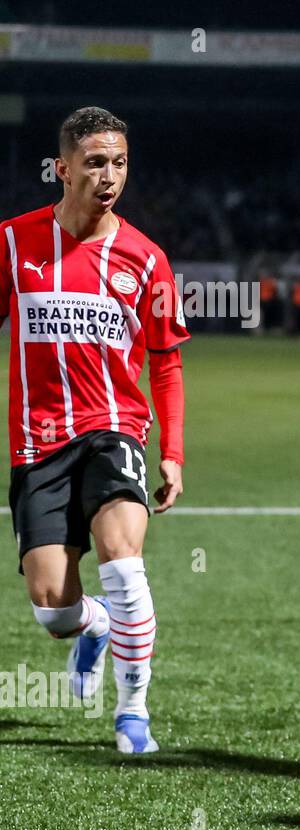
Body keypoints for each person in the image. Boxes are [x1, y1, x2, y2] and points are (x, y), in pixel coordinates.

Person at [0, 106, 189, 753]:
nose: (110, 176)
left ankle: (132, 711)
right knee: (53, 607)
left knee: (123, 559)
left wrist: (175, 452)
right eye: (96, 163)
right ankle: (94, 626)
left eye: (120, 163)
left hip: (116, 430)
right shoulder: (13, 244)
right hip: (37, 438)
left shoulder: (146, 258)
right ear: (63, 169)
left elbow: (165, 359)